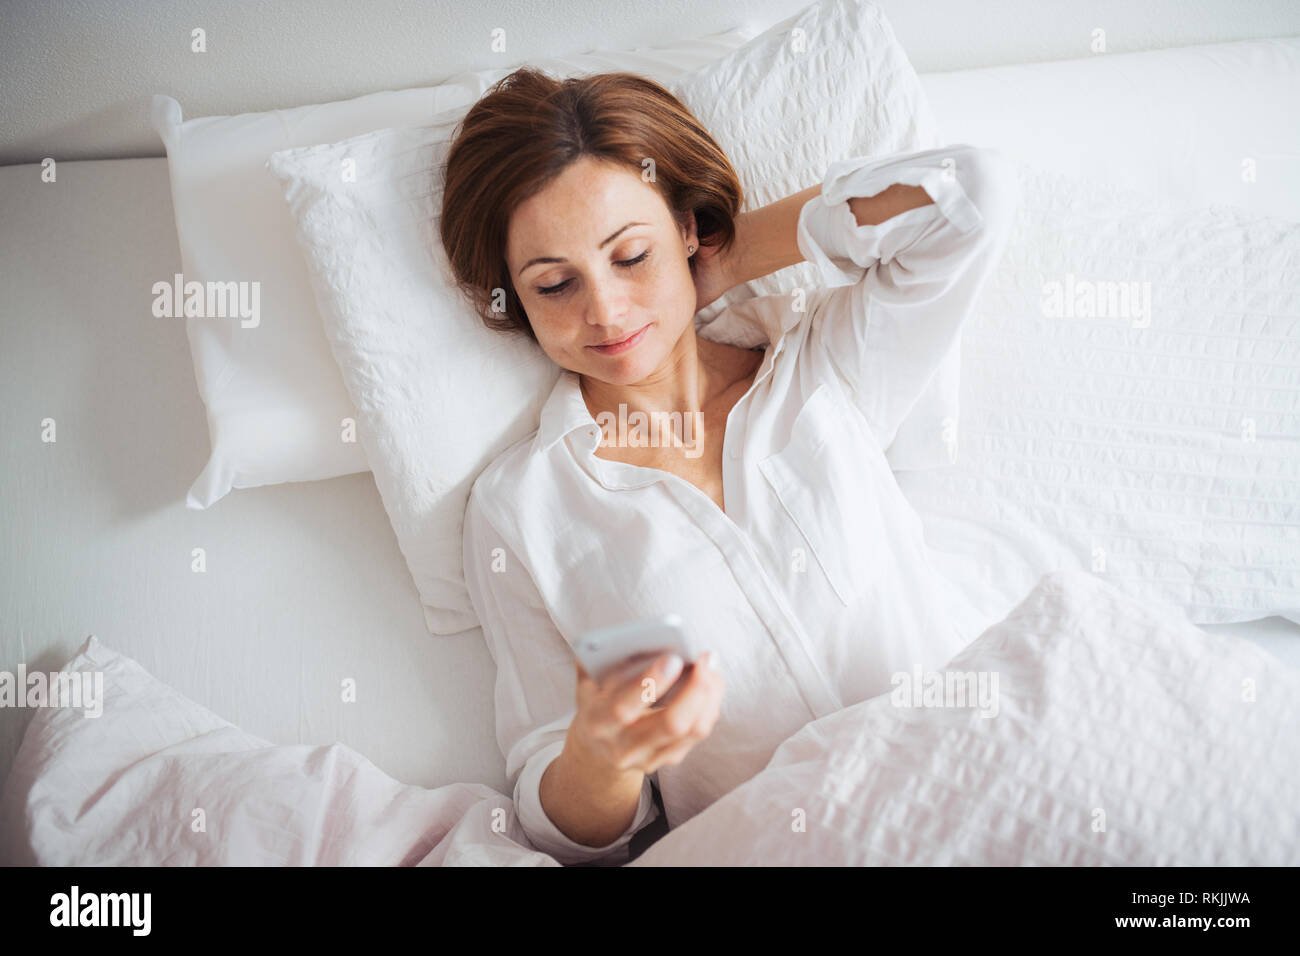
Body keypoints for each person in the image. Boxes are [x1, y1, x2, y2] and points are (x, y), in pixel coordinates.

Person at [441, 68, 1019, 865]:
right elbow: (565, 835)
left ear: (685, 228)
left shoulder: (819, 366)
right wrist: (603, 754)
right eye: (554, 283)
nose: (605, 310)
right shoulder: (522, 508)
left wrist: (725, 256)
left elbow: (971, 195)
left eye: (631, 254)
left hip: (987, 797)